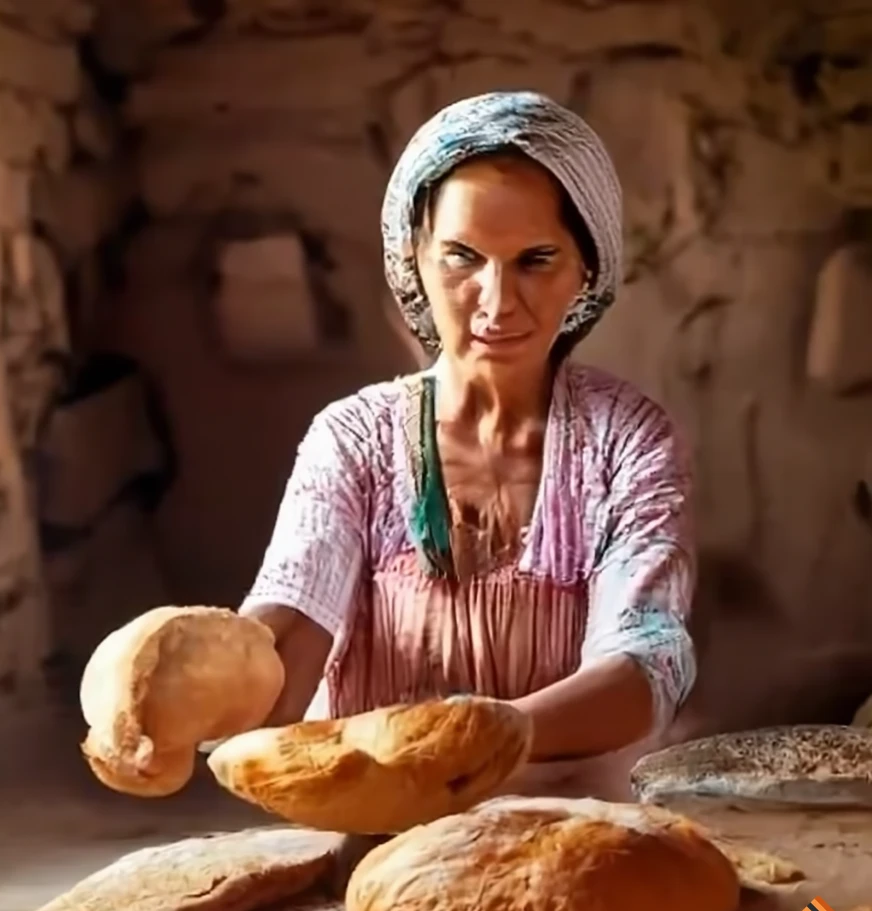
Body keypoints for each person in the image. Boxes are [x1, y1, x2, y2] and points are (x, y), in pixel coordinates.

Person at [239, 91, 695, 800]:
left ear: (587, 269)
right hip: (379, 844)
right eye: (461, 257)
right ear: (412, 260)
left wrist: (483, 735)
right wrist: (201, 684)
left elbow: (645, 667)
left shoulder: (625, 441)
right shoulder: (354, 441)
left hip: (579, 834)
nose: (495, 300)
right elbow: (291, 622)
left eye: (536, 260)